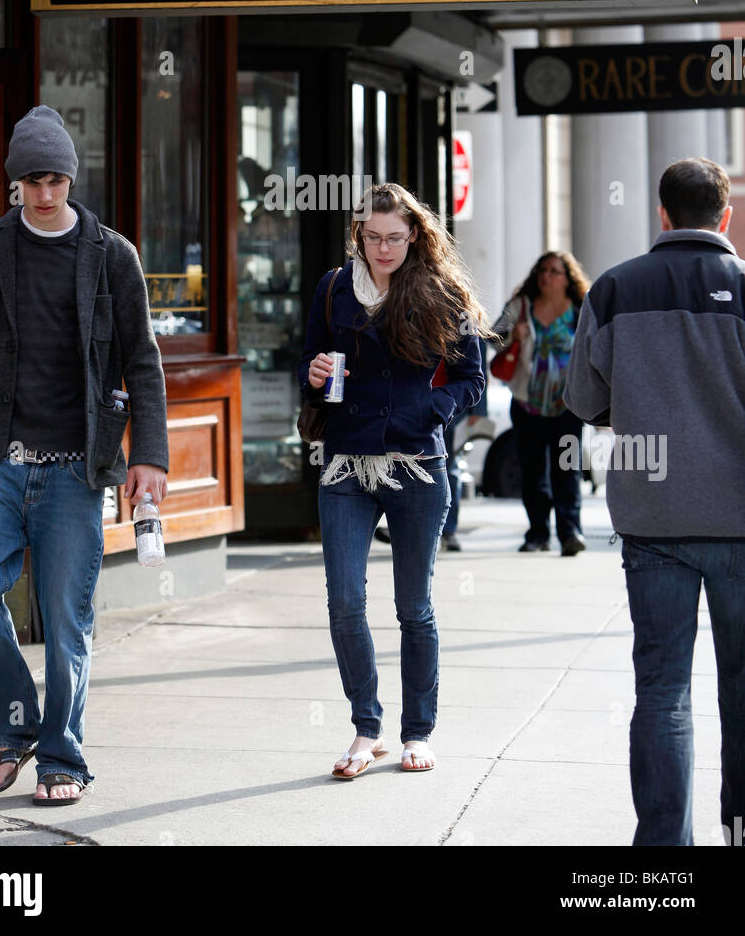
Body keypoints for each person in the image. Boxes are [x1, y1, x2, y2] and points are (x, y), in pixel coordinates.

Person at [0, 106, 169, 805]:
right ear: (14, 184)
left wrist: (148, 456)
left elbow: (143, 364)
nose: (45, 193)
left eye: (56, 179)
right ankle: (13, 730)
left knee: (67, 620)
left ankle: (62, 756)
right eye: (33, 180)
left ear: (71, 179)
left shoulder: (112, 255)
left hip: (74, 468)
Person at [564, 157, 745, 847]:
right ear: (723, 217)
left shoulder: (612, 290)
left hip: (655, 522)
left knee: (663, 690)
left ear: (662, 214)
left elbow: (583, 400)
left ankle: (664, 853)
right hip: (741, 524)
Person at [298, 182, 486, 778]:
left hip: (416, 466)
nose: (383, 249)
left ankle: (418, 731)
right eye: (373, 237)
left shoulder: (441, 292)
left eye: (395, 238)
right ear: (360, 235)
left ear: (415, 236)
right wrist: (316, 370)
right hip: (345, 463)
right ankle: (365, 727)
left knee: (414, 607)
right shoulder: (333, 289)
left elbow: (469, 379)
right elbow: (306, 366)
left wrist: (425, 413)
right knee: (345, 601)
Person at [493, 251, 590, 555]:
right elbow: (490, 336)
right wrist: (512, 333)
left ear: (568, 278)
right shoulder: (521, 306)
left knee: (567, 470)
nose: (547, 276)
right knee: (533, 472)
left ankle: (570, 532)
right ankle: (538, 534)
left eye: (554, 271)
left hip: (567, 407)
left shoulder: (580, 310)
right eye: (543, 270)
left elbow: (597, 347)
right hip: (527, 405)